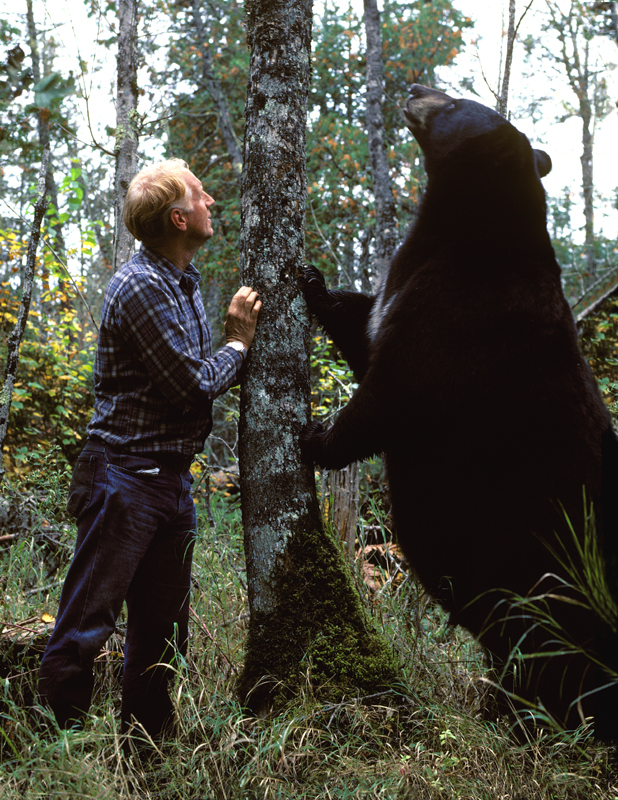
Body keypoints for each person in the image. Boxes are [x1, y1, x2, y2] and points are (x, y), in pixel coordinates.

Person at [38, 158, 261, 749]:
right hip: (123, 480)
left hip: (168, 485)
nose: (211, 199)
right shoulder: (140, 286)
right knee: (86, 625)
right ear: (177, 217)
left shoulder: (179, 282)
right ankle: (61, 761)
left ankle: (147, 760)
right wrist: (239, 345)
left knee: (162, 639)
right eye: (200, 193)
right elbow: (189, 384)